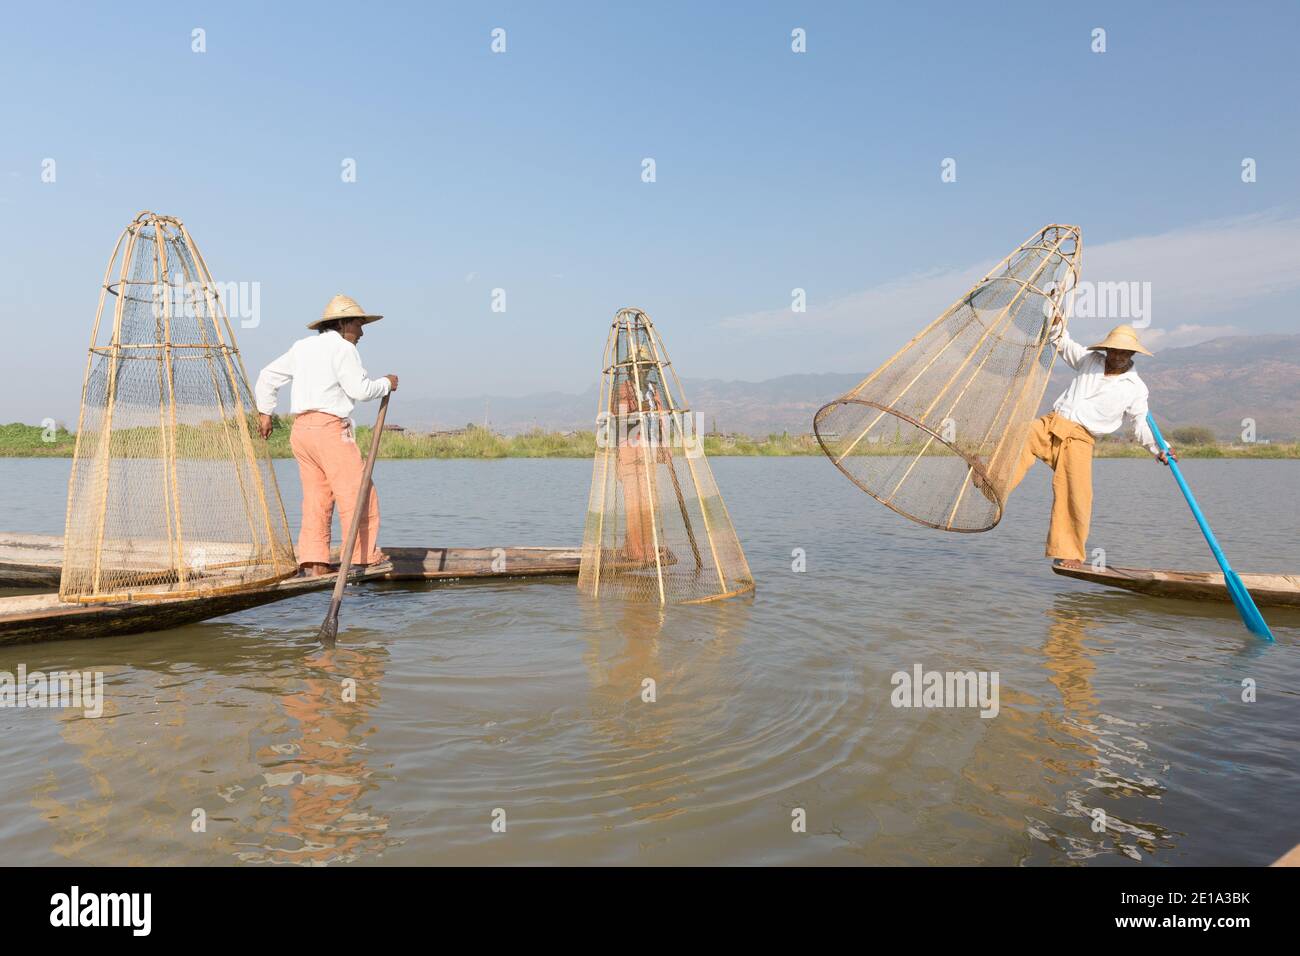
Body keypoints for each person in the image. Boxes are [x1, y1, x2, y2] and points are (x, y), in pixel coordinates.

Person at [1007, 321, 1175, 567]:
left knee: (1077, 494)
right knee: (1017, 438)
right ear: (1107, 350)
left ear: (1133, 354)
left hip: (1080, 439)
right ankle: (993, 484)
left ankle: (1071, 552)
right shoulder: (1090, 360)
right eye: (1114, 351)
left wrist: (1159, 448)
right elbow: (1062, 342)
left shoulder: (1136, 388)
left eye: (1124, 352)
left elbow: (1140, 425)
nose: (1118, 356)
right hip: (1052, 424)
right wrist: (1055, 322)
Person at [254, 294, 398, 576]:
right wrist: (386, 384)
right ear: (343, 323)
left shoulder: (302, 347)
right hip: (329, 430)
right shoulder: (343, 349)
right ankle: (362, 555)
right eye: (358, 324)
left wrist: (265, 413)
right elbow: (360, 390)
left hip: (302, 433)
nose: (362, 332)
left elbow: (267, 376)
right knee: (358, 493)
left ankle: (314, 561)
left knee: (316, 497)